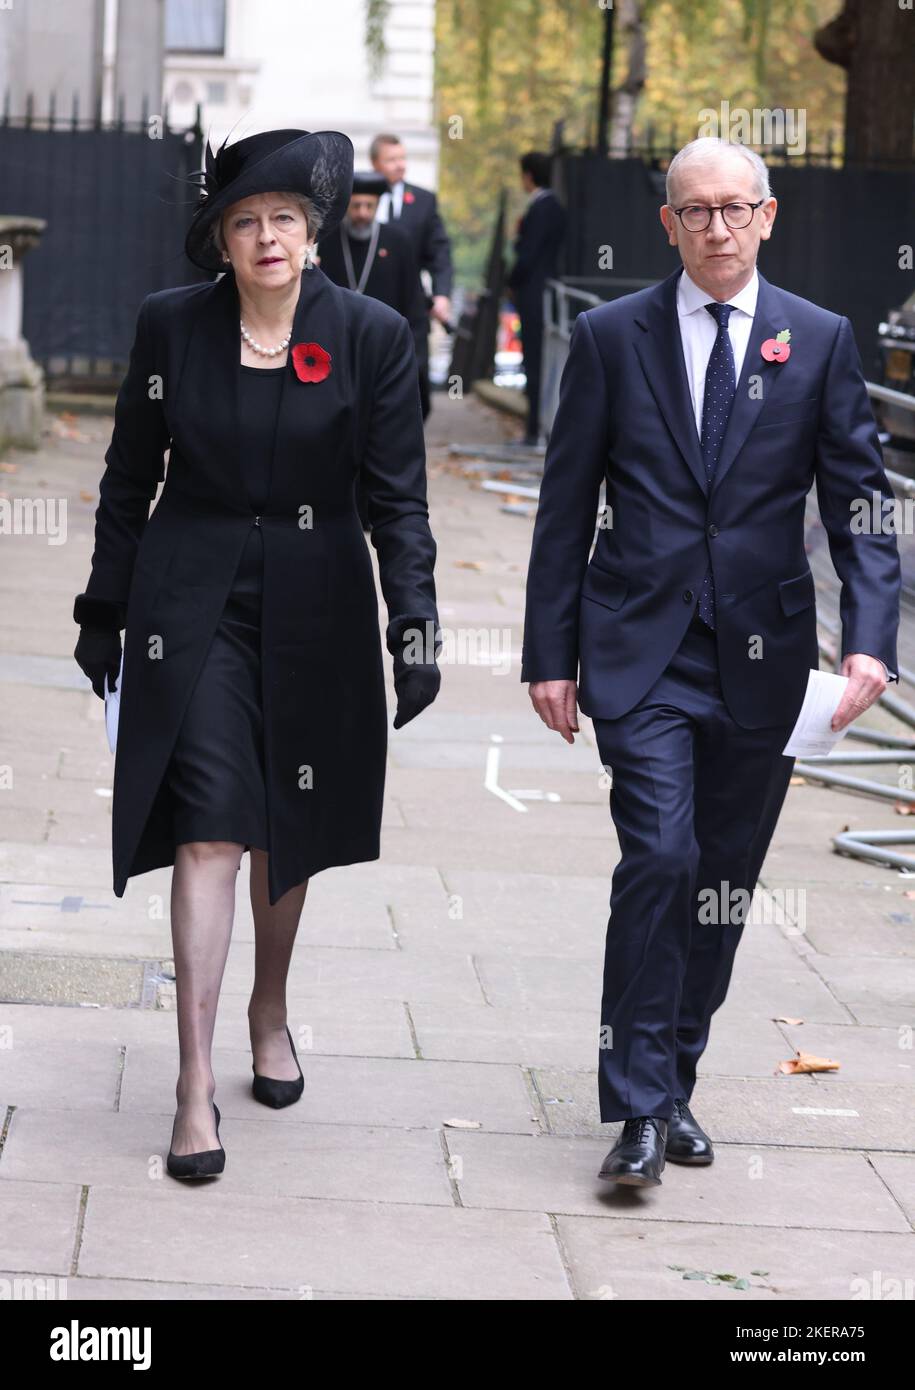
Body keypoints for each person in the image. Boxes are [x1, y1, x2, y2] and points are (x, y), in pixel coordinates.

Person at [521, 136, 900, 1187]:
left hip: (766, 661)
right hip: (639, 651)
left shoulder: (817, 341)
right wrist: (549, 652)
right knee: (663, 858)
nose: (719, 229)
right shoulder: (609, 338)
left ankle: (674, 1077)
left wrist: (870, 638)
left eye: (737, 209)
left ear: (767, 217)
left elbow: (862, 509)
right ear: (669, 224)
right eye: (698, 212)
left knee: (723, 884)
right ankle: (637, 1107)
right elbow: (564, 507)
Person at [72, 127, 441, 1179]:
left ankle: (268, 1007)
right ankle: (193, 1082)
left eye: (284, 217)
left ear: (314, 236)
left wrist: (411, 624)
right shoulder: (171, 329)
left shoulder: (369, 336)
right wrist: (104, 610)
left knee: (289, 823)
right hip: (191, 605)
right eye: (246, 220)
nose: (266, 236)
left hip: (319, 604)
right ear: (222, 241)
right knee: (211, 832)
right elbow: (126, 479)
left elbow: (397, 499)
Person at [317, 170, 429, 526]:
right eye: (356, 205)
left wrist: (415, 354)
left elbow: (413, 301)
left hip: (384, 352)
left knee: (379, 433)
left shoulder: (399, 241)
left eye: (369, 205)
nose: (362, 212)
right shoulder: (328, 241)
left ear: (378, 205)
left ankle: (373, 509)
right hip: (335, 351)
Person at [370, 132, 453, 417]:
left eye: (402, 158)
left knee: (416, 379)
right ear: (375, 163)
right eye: (392, 159)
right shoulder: (358, 202)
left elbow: (439, 252)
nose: (400, 165)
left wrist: (442, 294)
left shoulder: (423, 201)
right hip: (369, 299)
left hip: (411, 306)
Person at [506, 151, 567, 446]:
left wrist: (512, 280)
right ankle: (533, 427)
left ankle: (533, 429)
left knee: (534, 358)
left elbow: (528, 254)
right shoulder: (551, 206)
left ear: (528, 175)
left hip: (534, 292)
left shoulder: (543, 207)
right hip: (539, 290)